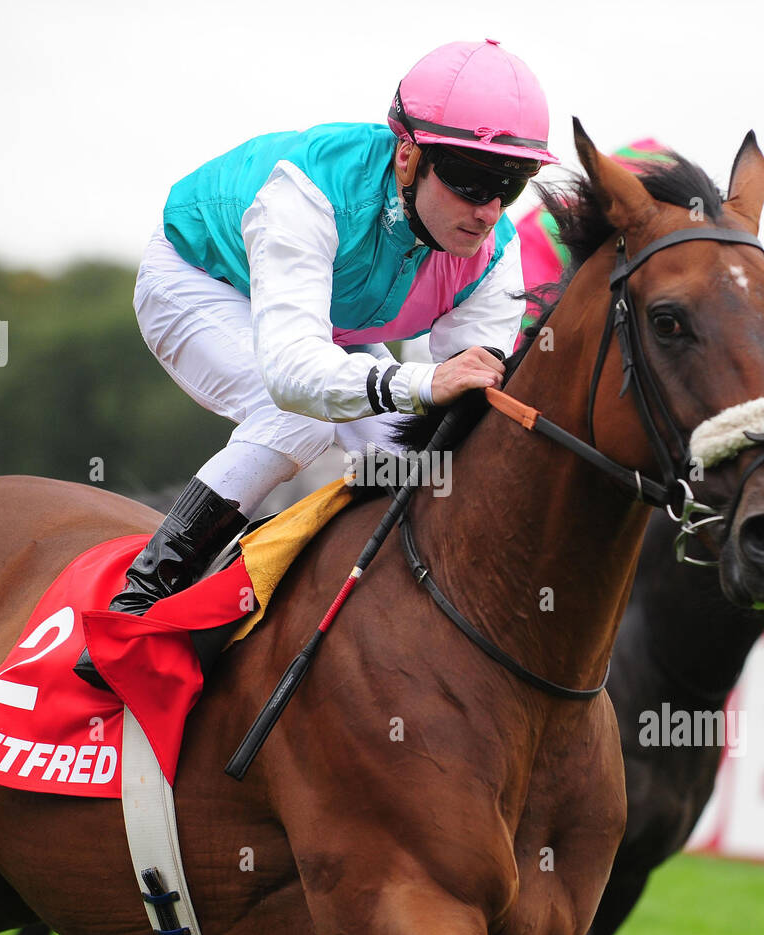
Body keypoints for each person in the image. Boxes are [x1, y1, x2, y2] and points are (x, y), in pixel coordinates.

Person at [76, 38, 558, 687]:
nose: (489, 210)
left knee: (426, 464)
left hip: (324, 318)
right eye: (471, 180)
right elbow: (295, 377)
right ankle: (139, 602)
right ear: (407, 152)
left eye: (511, 183)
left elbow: (463, 411)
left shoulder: (494, 253)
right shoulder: (305, 193)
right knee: (296, 420)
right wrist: (424, 381)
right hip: (197, 280)